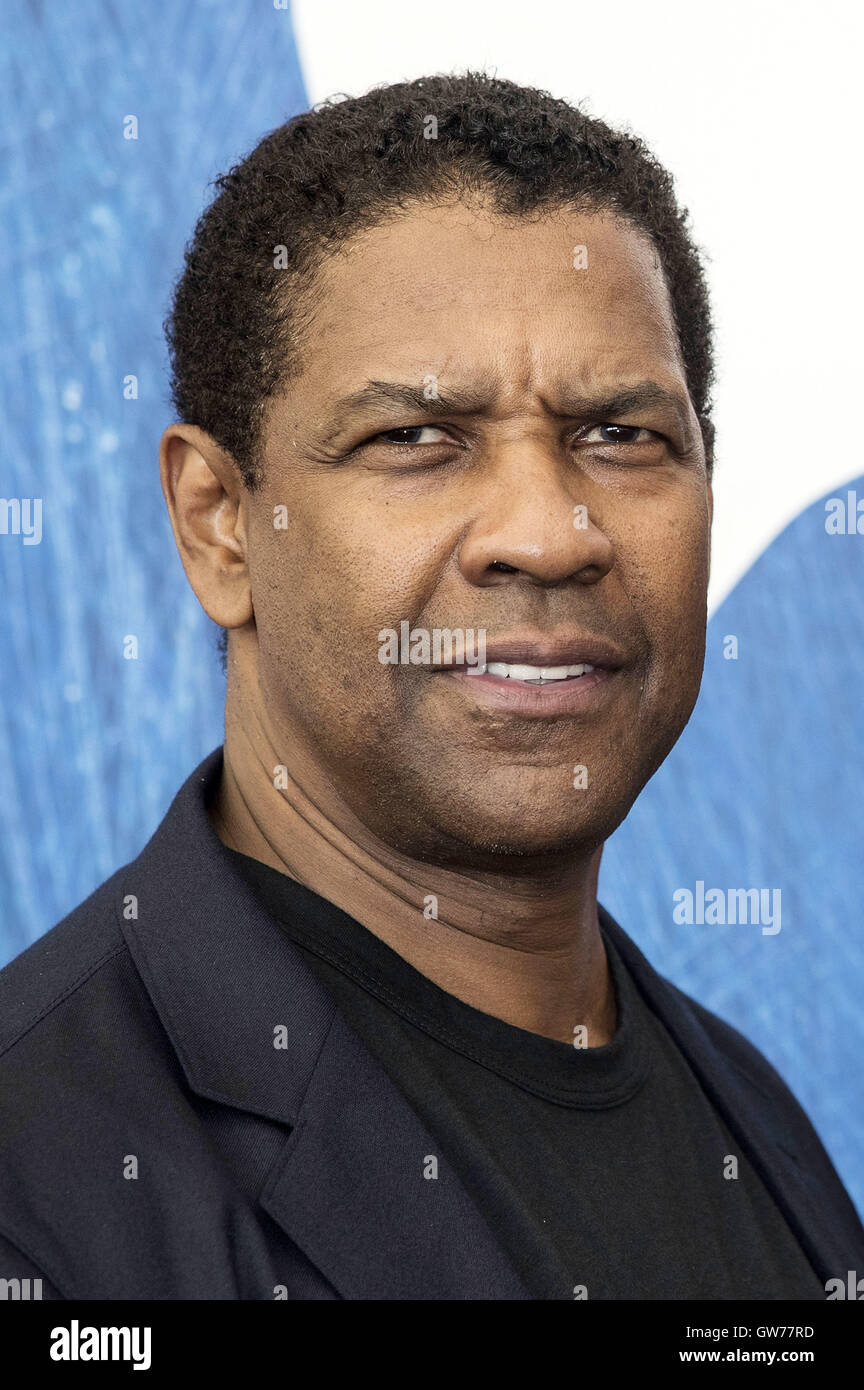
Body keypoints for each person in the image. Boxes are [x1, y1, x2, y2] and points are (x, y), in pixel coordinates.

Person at [1, 72, 861, 1301]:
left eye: (623, 434)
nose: (551, 533)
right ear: (221, 526)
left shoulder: (757, 1127)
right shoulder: (39, 1190)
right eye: (416, 439)